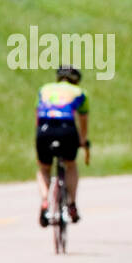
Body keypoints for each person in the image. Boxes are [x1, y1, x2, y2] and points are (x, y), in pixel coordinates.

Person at [35, 64, 90, 226]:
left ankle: (45, 201)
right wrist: (82, 140)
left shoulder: (44, 89)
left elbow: (37, 116)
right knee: (71, 164)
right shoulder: (79, 93)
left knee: (44, 168)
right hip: (67, 130)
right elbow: (83, 121)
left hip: (44, 129)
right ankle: (72, 204)